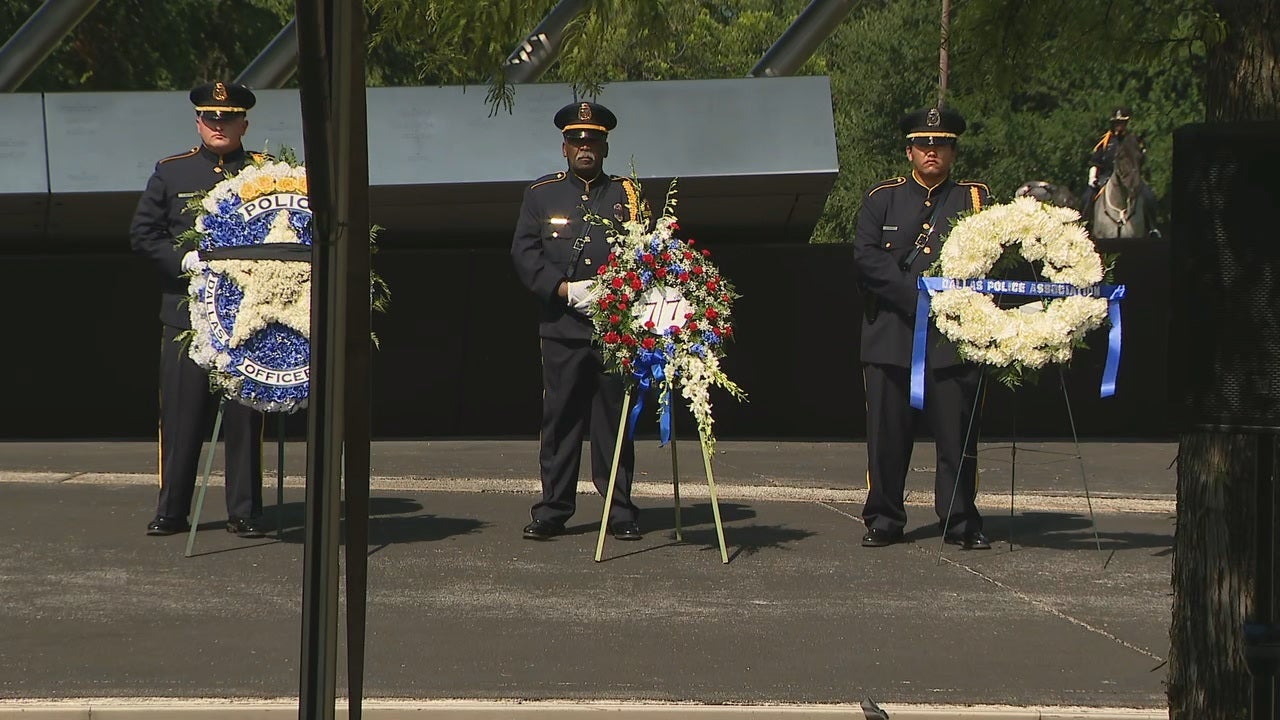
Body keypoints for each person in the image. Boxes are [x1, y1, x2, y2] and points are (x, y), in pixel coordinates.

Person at [130, 81, 267, 539]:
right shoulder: (173, 173)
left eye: (228, 119)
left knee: (246, 417)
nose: (219, 126)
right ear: (198, 122)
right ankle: (172, 510)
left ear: (244, 124)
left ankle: (244, 509)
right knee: (182, 416)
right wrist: (181, 259)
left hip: (247, 317)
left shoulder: (267, 175)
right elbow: (144, 235)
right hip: (186, 315)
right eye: (211, 118)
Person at [852, 105, 992, 550]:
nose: (933, 152)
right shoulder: (881, 199)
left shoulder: (974, 200)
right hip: (892, 335)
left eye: (942, 144)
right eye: (924, 145)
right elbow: (868, 259)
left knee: (957, 438)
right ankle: (884, 519)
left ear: (953, 151)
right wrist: (919, 297)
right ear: (909, 150)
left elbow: (990, 255)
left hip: (952, 338)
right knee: (887, 439)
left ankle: (960, 521)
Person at [510, 101, 645, 542]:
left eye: (592, 140)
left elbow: (647, 254)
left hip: (614, 329)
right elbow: (525, 252)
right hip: (563, 327)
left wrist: (620, 293)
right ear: (564, 148)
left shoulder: (628, 194)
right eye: (576, 141)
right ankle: (553, 509)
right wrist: (563, 289)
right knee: (561, 420)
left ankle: (619, 509)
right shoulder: (541, 194)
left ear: (605, 146)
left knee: (614, 423)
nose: (584, 148)